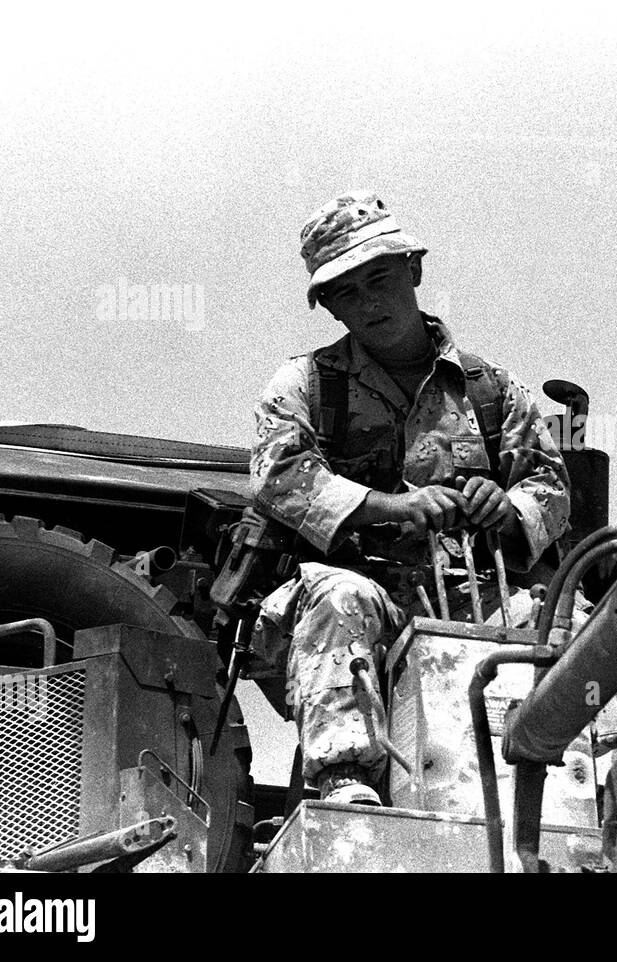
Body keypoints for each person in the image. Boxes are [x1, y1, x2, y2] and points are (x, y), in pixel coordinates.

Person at [248, 190, 571, 805]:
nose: (369, 303)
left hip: (475, 601)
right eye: (347, 292)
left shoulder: (491, 390)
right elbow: (278, 474)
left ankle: (584, 794)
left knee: (571, 623)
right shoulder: (305, 385)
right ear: (331, 308)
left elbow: (549, 486)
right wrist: (389, 506)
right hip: (353, 609)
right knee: (341, 595)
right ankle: (346, 782)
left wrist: (505, 510)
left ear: (414, 271)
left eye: (380, 279)